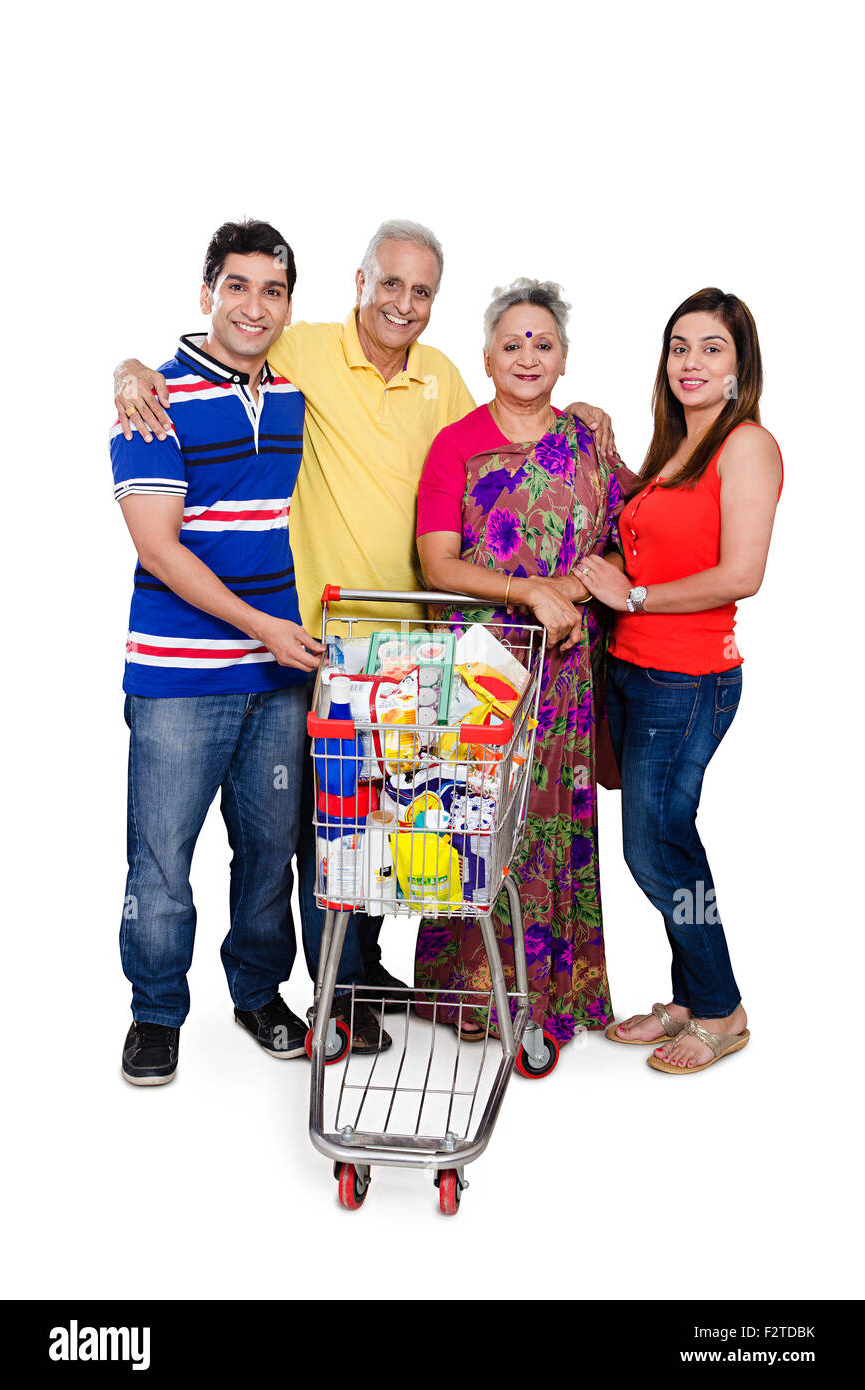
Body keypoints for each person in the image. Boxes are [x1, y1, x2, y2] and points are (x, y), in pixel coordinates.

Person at [113, 222, 617, 1052]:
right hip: (309, 639)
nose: (403, 304)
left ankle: (347, 975)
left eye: (421, 292)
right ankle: (179, 1010)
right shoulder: (302, 350)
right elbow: (218, 352)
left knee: (368, 827)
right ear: (359, 282)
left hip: (411, 652)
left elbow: (494, 445)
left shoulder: (439, 376)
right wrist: (129, 370)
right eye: (390, 284)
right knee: (252, 837)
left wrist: (577, 420)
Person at [111, 219, 324, 1086]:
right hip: (178, 678)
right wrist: (267, 627)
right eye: (237, 286)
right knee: (162, 859)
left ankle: (258, 992)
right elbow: (161, 549)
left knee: (269, 851)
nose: (254, 305)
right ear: (208, 294)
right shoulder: (151, 402)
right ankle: (156, 1011)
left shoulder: (295, 395)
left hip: (277, 680)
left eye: (272, 290)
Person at [412, 279, 637, 1044]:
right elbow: (437, 563)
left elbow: (629, 534)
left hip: (568, 672)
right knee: (477, 822)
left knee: (550, 823)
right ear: (487, 358)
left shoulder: (588, 442)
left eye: (543, 343)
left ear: (566, 357)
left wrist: (571, 587)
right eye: (512, 344)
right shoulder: (457, 444)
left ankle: (550, 993)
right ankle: (470, 993)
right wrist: (526, 589)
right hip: (483, 672)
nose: (528, 356)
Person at [578, 287, 782, 1074]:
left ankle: (721, 1007)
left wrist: (628, 595)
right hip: (633, 670)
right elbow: (648, 523)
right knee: (663, 838)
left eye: (712, 349)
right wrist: (598, 433)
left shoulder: (748, 446)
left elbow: (741, 573)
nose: (691, 362)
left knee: (659, 850)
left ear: (740, 369)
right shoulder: (676, 450)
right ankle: (688, 999)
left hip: (687, 680)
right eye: (680, 348)